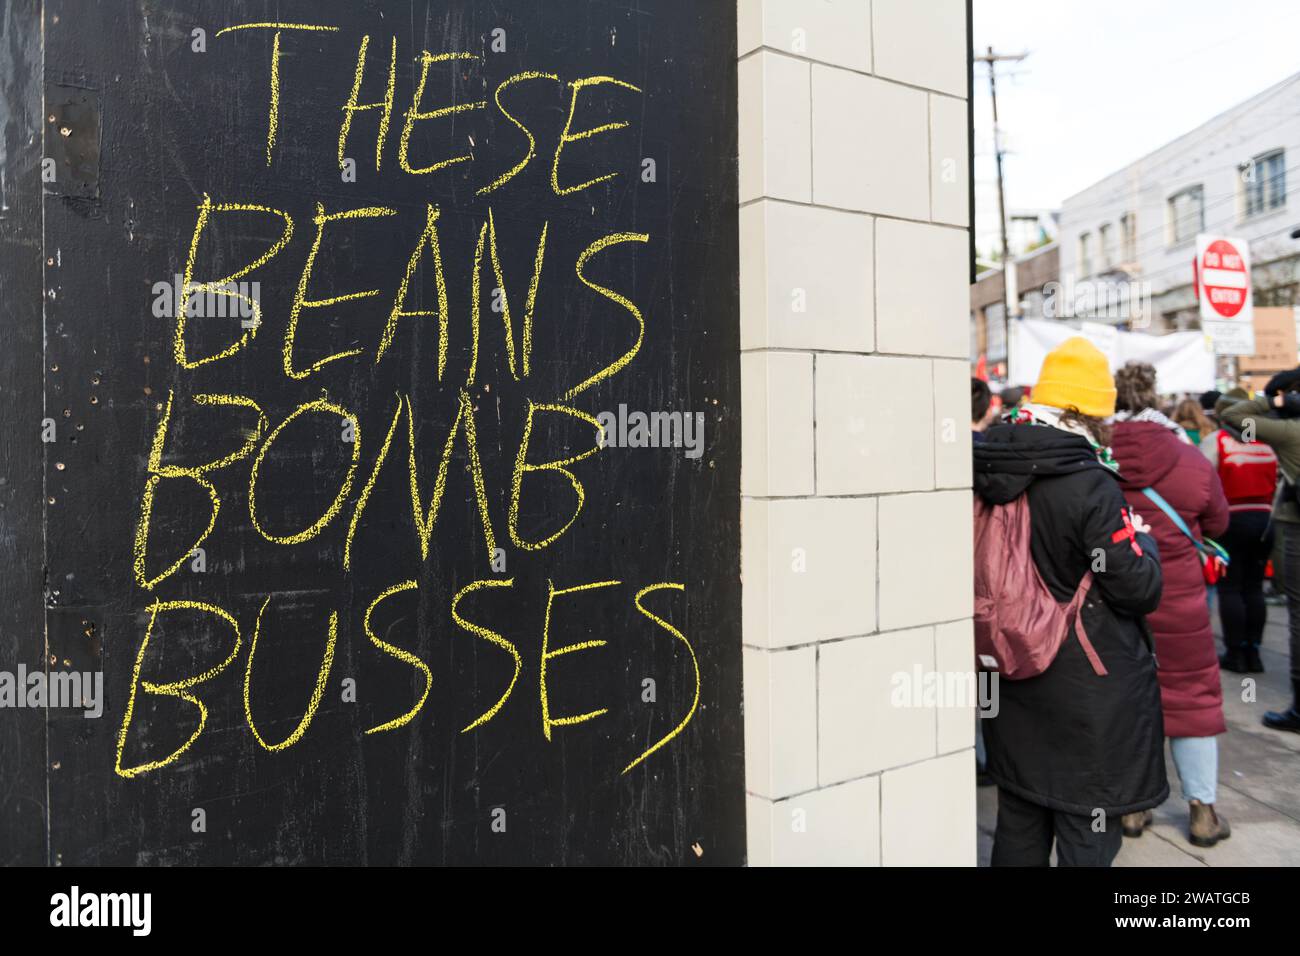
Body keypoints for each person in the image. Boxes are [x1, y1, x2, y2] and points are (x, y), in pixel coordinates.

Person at [975, 337, 1166, 867]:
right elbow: (1138, 588)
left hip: (1009, 672)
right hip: (1086, 688)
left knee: (1018, 816)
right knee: (1088, 825)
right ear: (1089, 413)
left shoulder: (986, 463)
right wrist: (1143, 540)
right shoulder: (1089, 484)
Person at [1111, 362, 1231, 848]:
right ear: (1156, 397)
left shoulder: (1098, 459)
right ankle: (1202, 812)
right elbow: (1218, 522)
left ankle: (1135, 809)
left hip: (1118, 603)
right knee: (1193, 700)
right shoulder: (1190, 458)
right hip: (1180, 601)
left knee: (1129, 703)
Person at [1219, 371, 1300, 734]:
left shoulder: (1288, 432)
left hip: (1280, 525)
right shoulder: (1279, 438)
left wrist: (1275, 400)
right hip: (1266, 520)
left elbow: (1235, 416)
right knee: (1253, 589)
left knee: (1292, 614)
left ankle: (1298, 708)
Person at [1202, 387, 1277, 674]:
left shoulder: (1217, 441)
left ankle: (1234, 653)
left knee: (1230, 587)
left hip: (1230, 521)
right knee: (1254, 587)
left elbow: (1203, 482)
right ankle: (1253, 652)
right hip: (1265, 521)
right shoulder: (1269, 442)